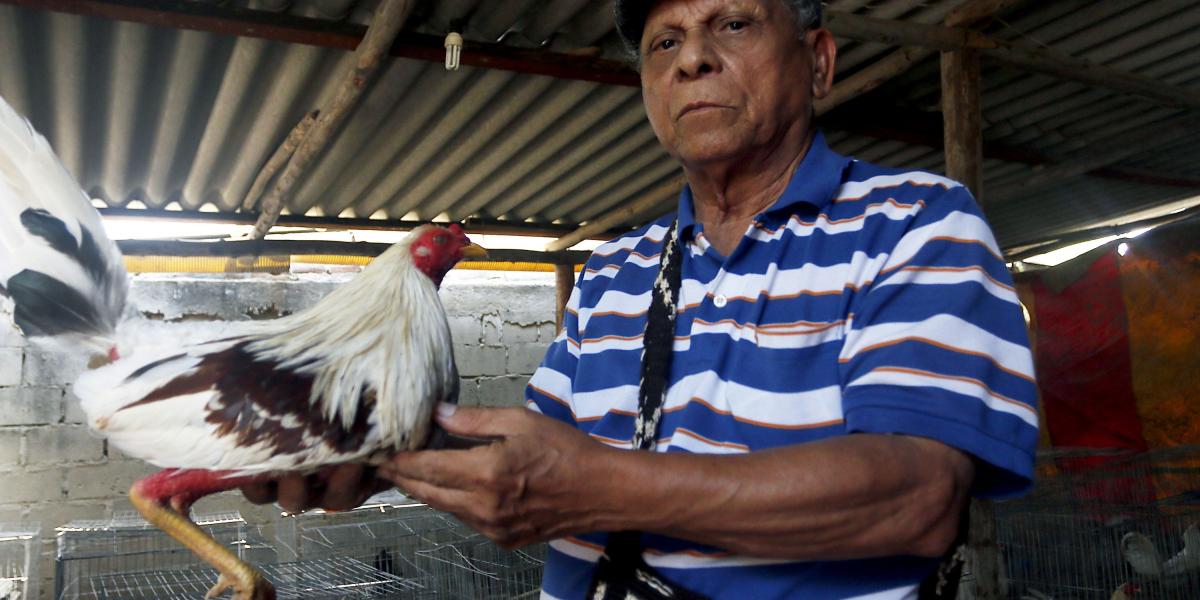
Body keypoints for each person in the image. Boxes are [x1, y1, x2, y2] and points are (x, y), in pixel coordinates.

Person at [244, 0, 1039, 597]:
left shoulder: (916, 223)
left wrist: (597, 487)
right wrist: (376, 458)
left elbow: (916, 496)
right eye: (665, 42)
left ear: (819, 61)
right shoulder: (615, 268)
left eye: (732, 24)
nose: (691, 58)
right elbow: (534, 461)